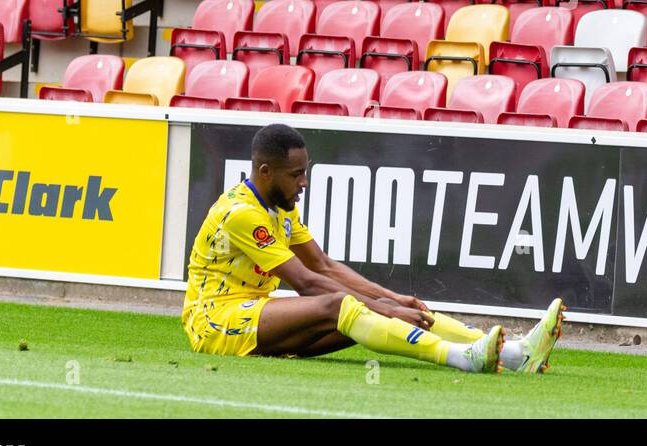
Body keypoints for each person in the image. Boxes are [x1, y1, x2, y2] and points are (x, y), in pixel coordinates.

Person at [183, 123, 564, 374]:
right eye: (295, 174)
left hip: (255, 318)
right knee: (343, 307)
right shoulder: (240, 214)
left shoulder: (280, 208)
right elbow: (307, 283)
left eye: (306, 170)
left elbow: (324, 266)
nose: (304, 182)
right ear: (265, 173)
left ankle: (513, 354)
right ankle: (460, 358)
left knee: (369, 320)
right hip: (216, 322)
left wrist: (391, 296)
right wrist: (384, 308)